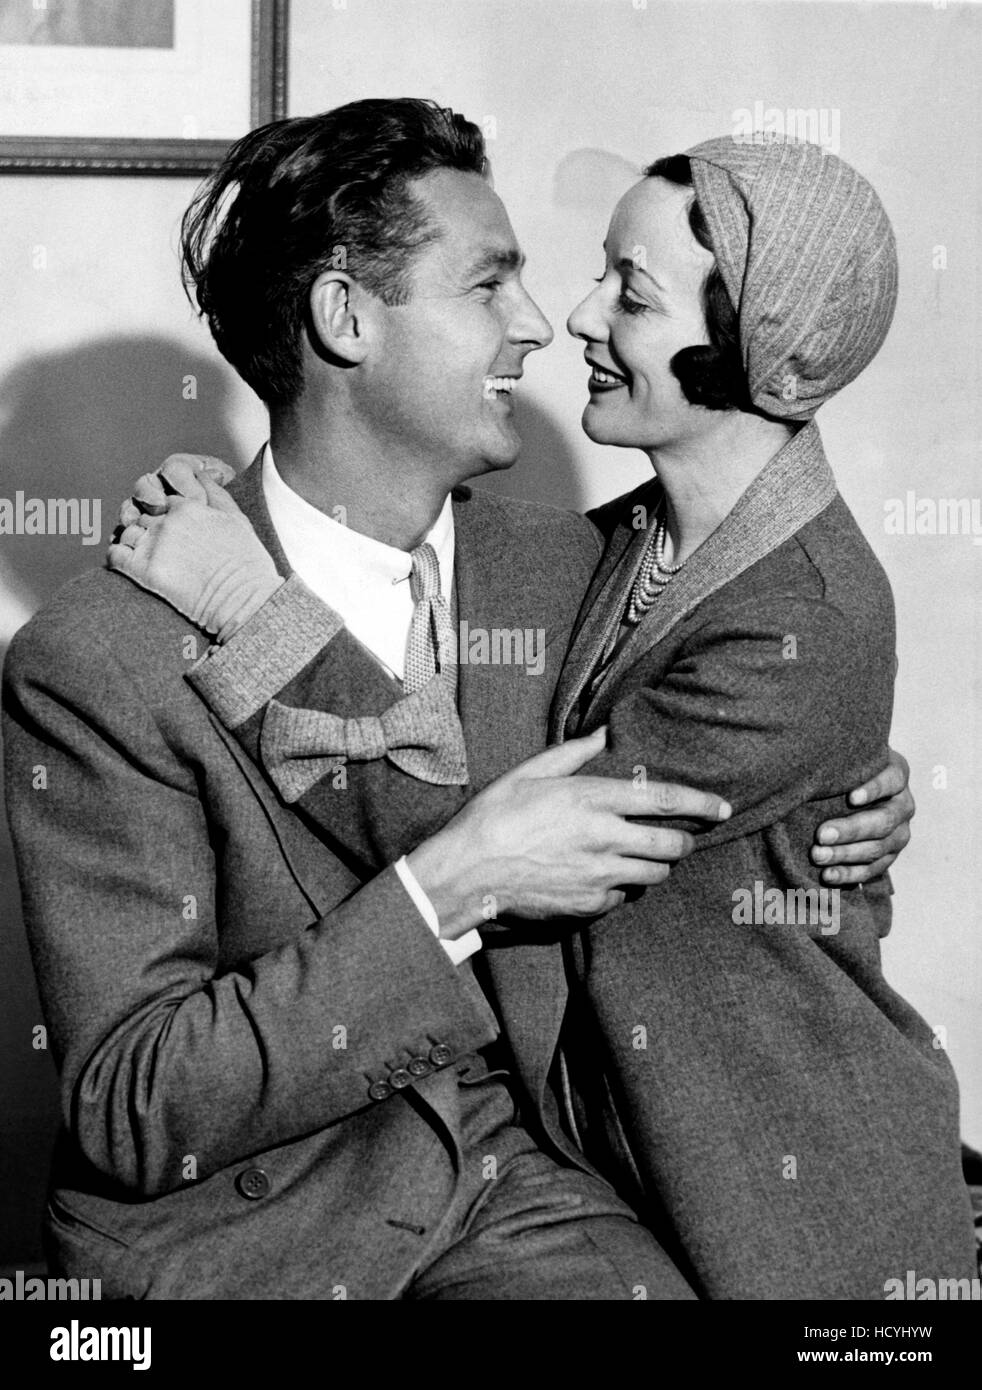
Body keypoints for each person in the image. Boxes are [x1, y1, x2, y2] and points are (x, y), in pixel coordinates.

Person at [3, 100, 913, 1301]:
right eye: (489, 285)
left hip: (529, 1192)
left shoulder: (574, 573)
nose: (540, 326)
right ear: (345, 317)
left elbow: (747, 710)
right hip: (242, 1251)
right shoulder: (100, 659)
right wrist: (446, 891)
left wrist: (845, 806)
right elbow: (134, 1100)